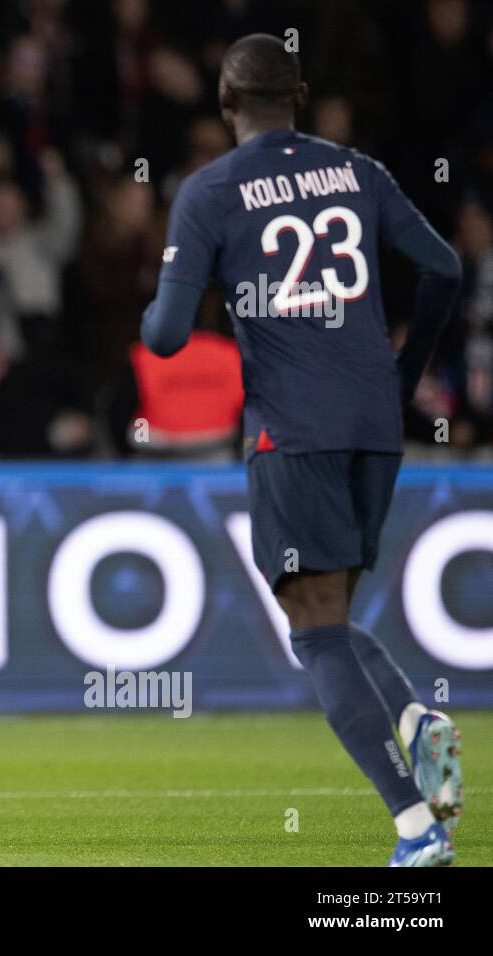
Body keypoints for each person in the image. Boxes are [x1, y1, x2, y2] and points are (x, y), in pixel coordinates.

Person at [141, 34, 465, 867]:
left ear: (223, 103)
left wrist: (156, 310)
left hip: (294, 429)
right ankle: (413, 719)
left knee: (314, 633)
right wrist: (403, 375)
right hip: (373, 425)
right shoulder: (357, 171)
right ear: (302, 94)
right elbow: (445, 268)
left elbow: (170, 337)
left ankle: (414, 825)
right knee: (325, 612)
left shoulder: (210, 190)